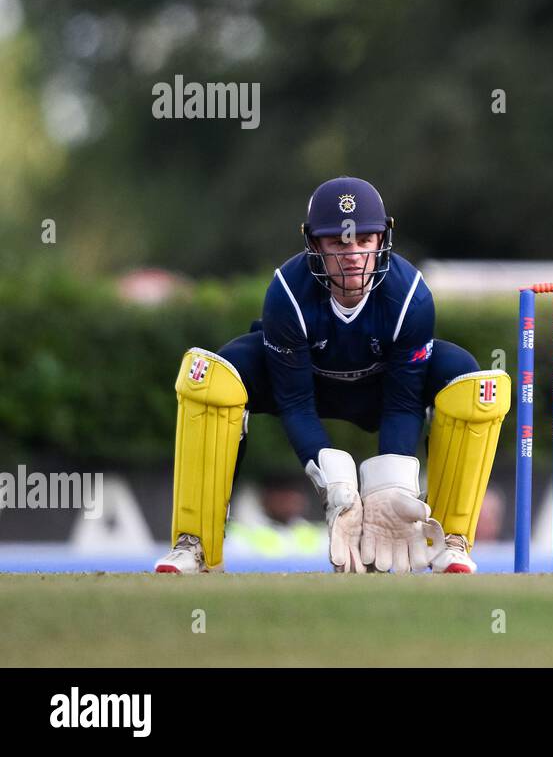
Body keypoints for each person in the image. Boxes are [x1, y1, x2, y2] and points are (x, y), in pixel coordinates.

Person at [154, 176, 510, 574]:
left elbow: (403, 401)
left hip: (380, 388)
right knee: (210, 378)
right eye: (339, 243)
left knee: (473, 383)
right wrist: (334, 483)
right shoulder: (288, 292)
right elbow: (295, 401)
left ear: (382, 240)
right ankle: (195, 544)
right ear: (314, 244)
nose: (353, 254)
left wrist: (390, 483)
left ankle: (453, 541)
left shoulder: (412, 295)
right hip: (306, 384)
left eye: (364, 240)